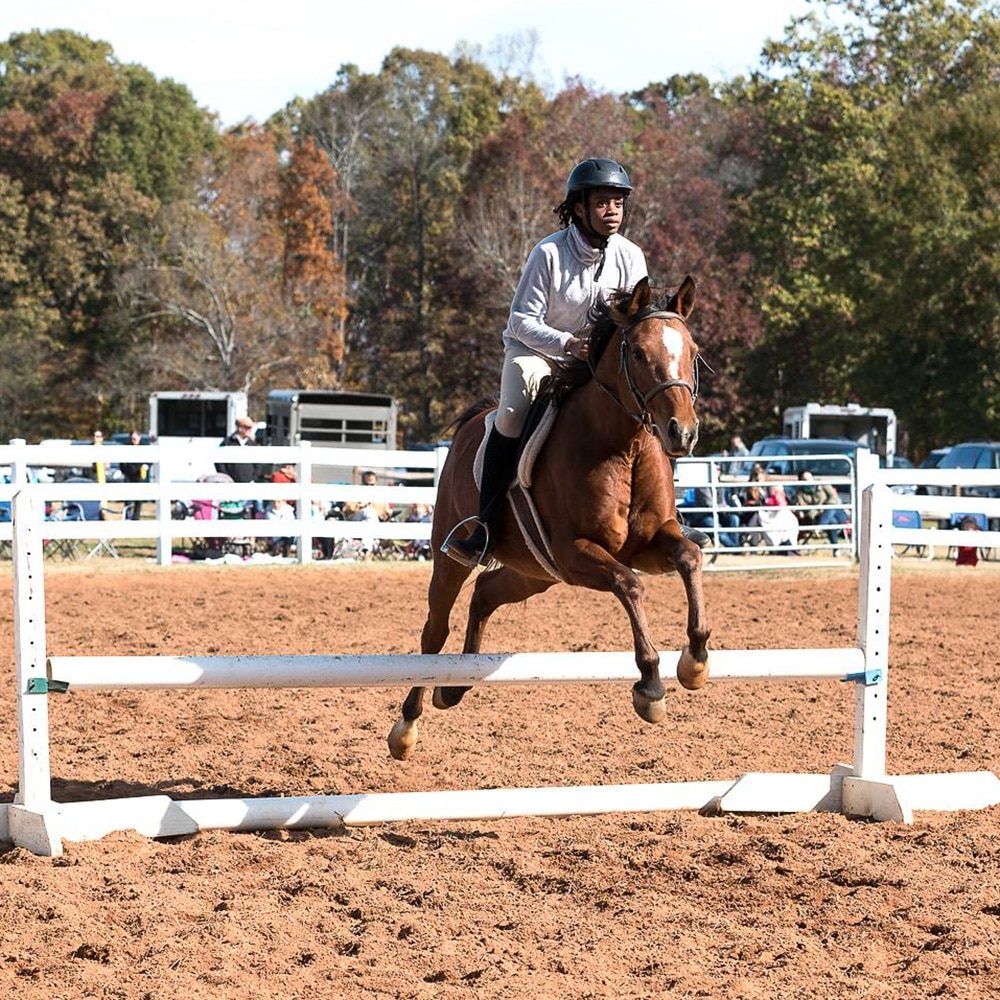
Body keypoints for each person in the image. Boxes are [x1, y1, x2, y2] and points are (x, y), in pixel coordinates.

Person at [443, 156, 706, 567]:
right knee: (511, 415)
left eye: (618, 203)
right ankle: (485, 525)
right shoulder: (548, 253)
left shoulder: (630, 256)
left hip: (596, 362)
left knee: (652, 408)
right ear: (579, 208)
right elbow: (521, 320)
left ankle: (670, 517)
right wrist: (566, 343)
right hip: (537, 352)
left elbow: (636, 322)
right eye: (602, 203)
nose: (612, 211)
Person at [793, 469, 849, 547]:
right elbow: (802, 507)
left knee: (831, 509)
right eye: (805, 479)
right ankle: (836, 549)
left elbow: (834, 497)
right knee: (832, 522)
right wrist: (817, 511)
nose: (809, 481)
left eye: (810, 478)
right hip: (818, 516)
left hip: (837, 512)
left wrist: (823, 508)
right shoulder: (800, 492)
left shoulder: (822, 484)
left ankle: (819, 528)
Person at [215, 415, 260, 484]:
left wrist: (254, 478)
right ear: (240, 428)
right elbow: (219, 462)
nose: (250, 430)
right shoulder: (227, 442)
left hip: (249, 483)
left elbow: (258, 463)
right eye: (247, 427)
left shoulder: (252, 444)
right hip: (230, 483)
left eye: (250, 428)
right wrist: (226, 478)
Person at [118, 429, 148, 520]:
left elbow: (149, 460)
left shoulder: (144, 447)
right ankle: (127, 515)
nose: (133, 440)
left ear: (139, 437)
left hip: (139, 475)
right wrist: (123, 470)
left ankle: (136, 517)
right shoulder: (126, 447)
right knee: (128, 497)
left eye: (135, 438)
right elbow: (121, 461)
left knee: (139, 498)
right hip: (128, 474)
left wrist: (146, 465)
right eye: (132, 438)